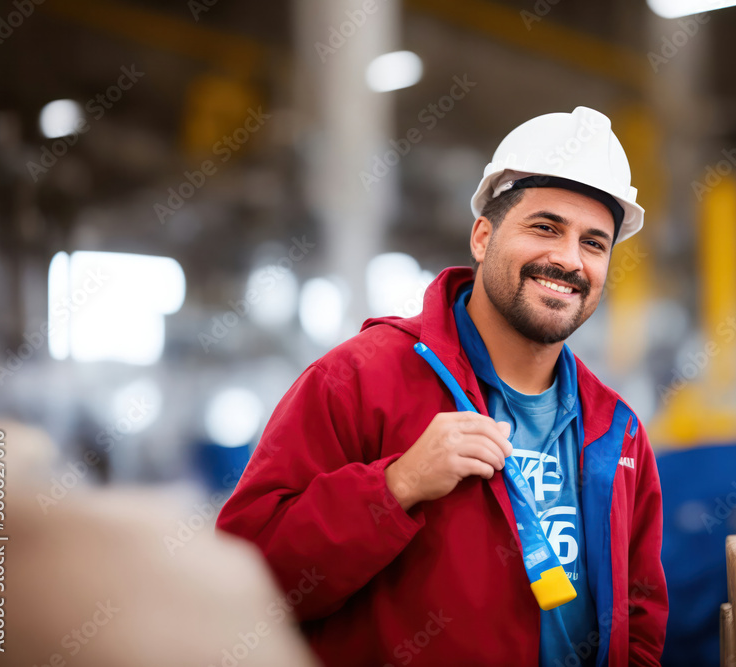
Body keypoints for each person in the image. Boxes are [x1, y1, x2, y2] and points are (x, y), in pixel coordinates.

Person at [216, 106, 668, 666]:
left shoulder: (618, 433)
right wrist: (395, 486)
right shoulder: (359, 380)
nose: (568, 259)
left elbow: (641, 620)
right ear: (483, 237)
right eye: (545, 227)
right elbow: (244, 578)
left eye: (594, 243)